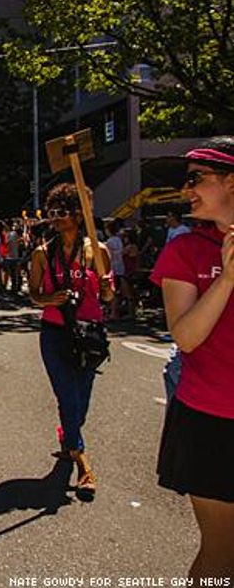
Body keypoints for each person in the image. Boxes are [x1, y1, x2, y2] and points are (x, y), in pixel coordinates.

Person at [150, 140, 234, 580]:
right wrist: (227, 279)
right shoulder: (185, 251)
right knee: (222, 552)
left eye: (196, 179)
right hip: (211, 421)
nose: (186, 190)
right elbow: (186, 336)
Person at [27, 183, 114, 500]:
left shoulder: (98, 252)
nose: (55, 219)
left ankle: (69, 438)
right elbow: (34, 295)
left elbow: (108, 296)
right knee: (68, 397)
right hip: (54, 334)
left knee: (81, 400)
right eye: (52, 213)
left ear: (79, 214)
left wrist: (106, 287)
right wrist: (50, 297)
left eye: (62, 212)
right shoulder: (41, 254)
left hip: (90, 334)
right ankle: (83, 464)